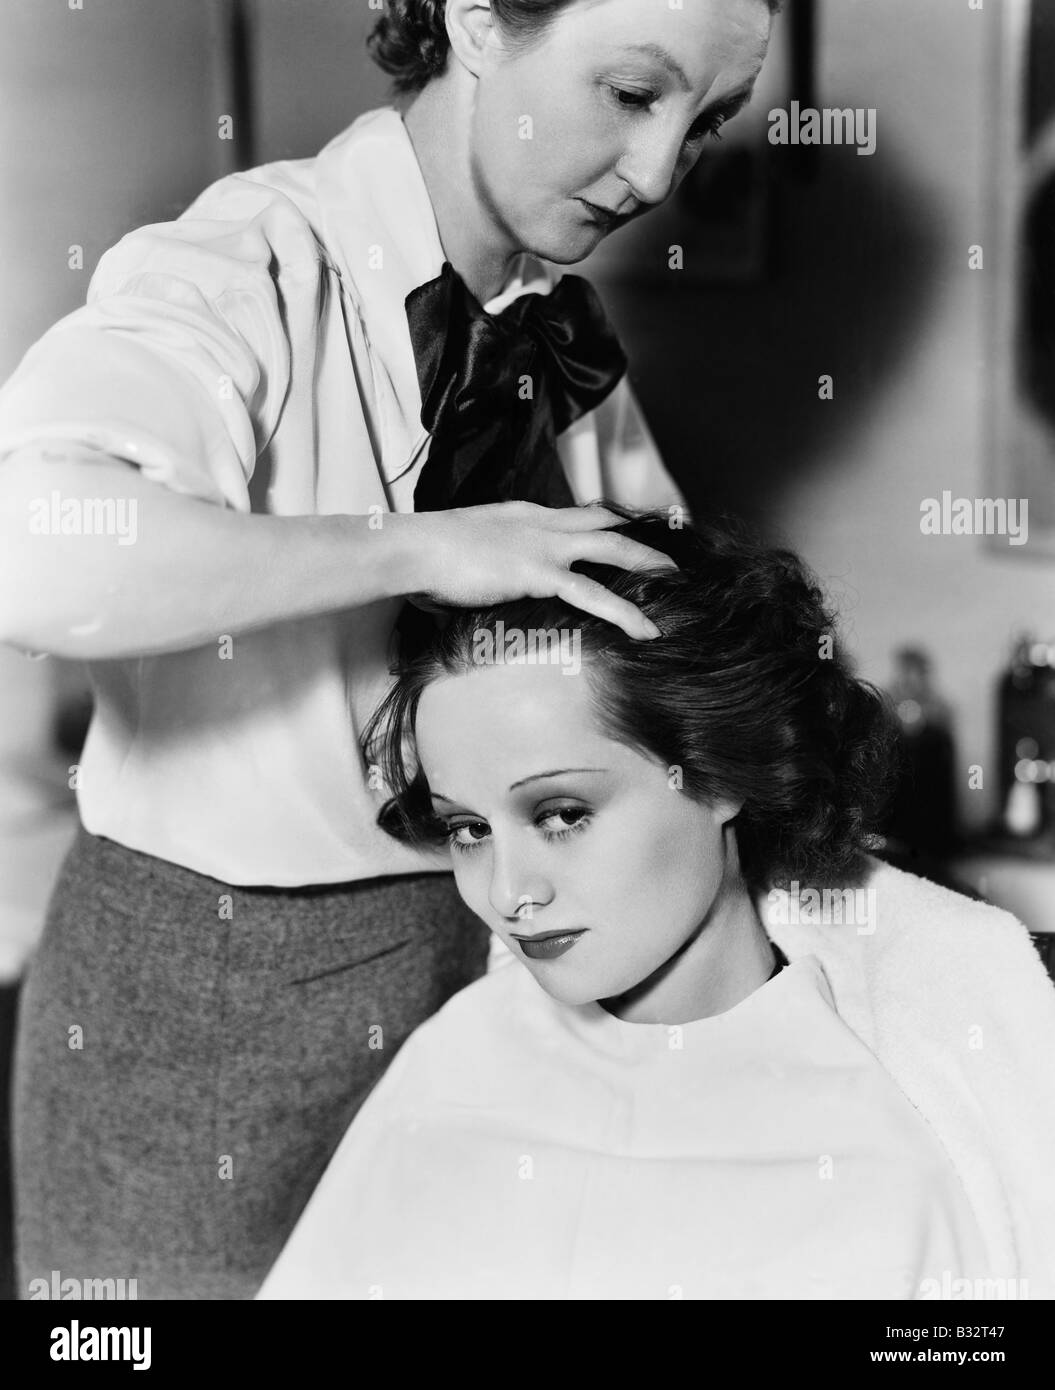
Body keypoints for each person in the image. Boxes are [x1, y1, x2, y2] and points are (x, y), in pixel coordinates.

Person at [0, 0, 782, 1298]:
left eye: (698, 126)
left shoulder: (561, 345)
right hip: (204, 1004)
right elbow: (30, 553)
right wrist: (416, 546)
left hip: (489, 970)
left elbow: (679, 669)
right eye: (629, 93)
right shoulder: (238, 265)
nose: (653, 176)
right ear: (475, 19)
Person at [258, 509, 1055, 1301]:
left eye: (561, 814)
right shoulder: (449, 1067)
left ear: (721, 775)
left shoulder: (881, 1153)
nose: (508, 893)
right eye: (467, 829)